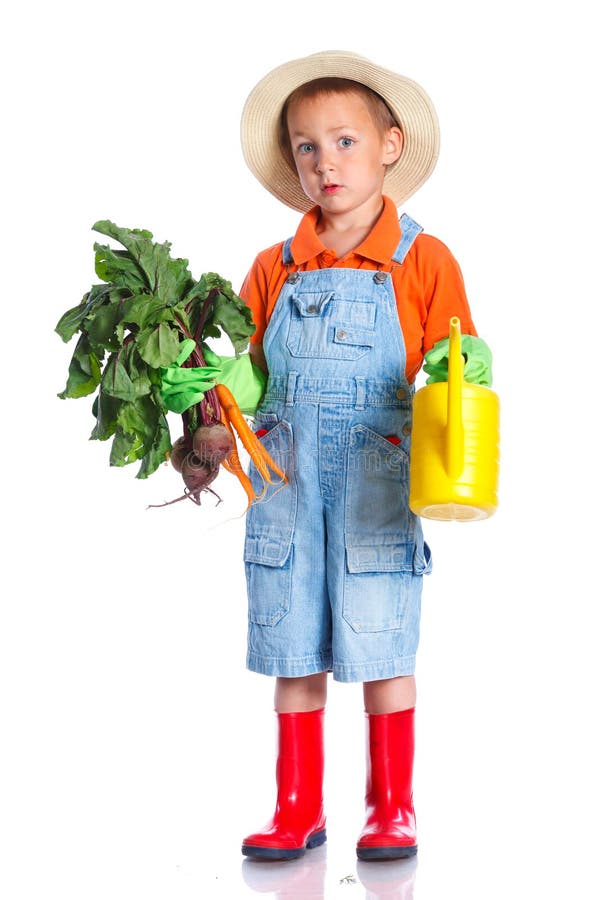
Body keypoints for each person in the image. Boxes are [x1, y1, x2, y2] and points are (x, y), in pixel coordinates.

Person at [236, 50, 491, 862]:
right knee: (293, 647)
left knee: (383, 646)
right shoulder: (273, 267)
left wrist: (466, 368)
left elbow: (454, 357)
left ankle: (393, 808)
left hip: (376, 490)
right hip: (282, 485)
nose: (324, 163)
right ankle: (295, 806)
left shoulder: (422, 259)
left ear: (389, 145)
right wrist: (206, 380)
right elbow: (247, 374)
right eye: (306, 147)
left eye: (343, 142)